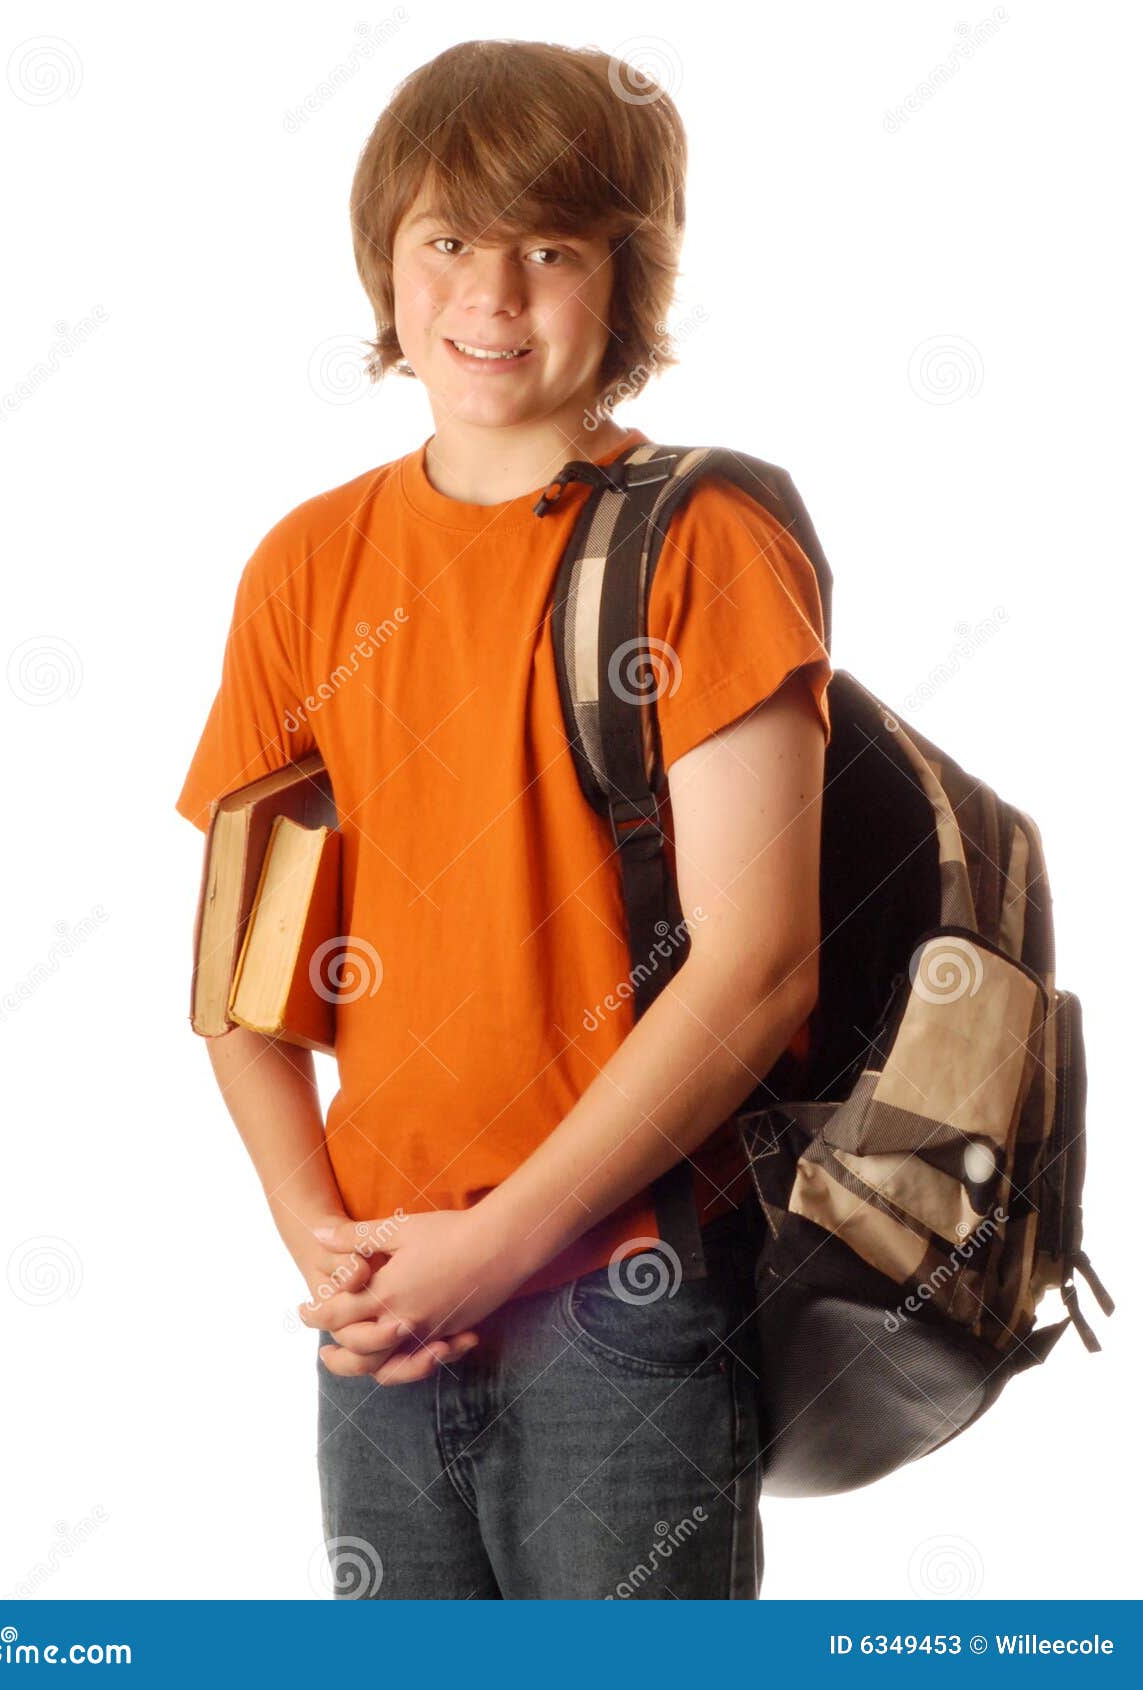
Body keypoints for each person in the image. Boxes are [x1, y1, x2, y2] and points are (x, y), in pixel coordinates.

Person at [175, 38, 831, 1599]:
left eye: (552, 249)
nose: (492, 294)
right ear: (387, 262)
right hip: (387, 1307)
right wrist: (323, 1244)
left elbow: (763, 967)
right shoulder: (306, 567)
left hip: (629, 1297)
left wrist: (505, 1240)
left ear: (627, 281)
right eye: (449, 240)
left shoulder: (706, 540)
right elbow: (242, 974)